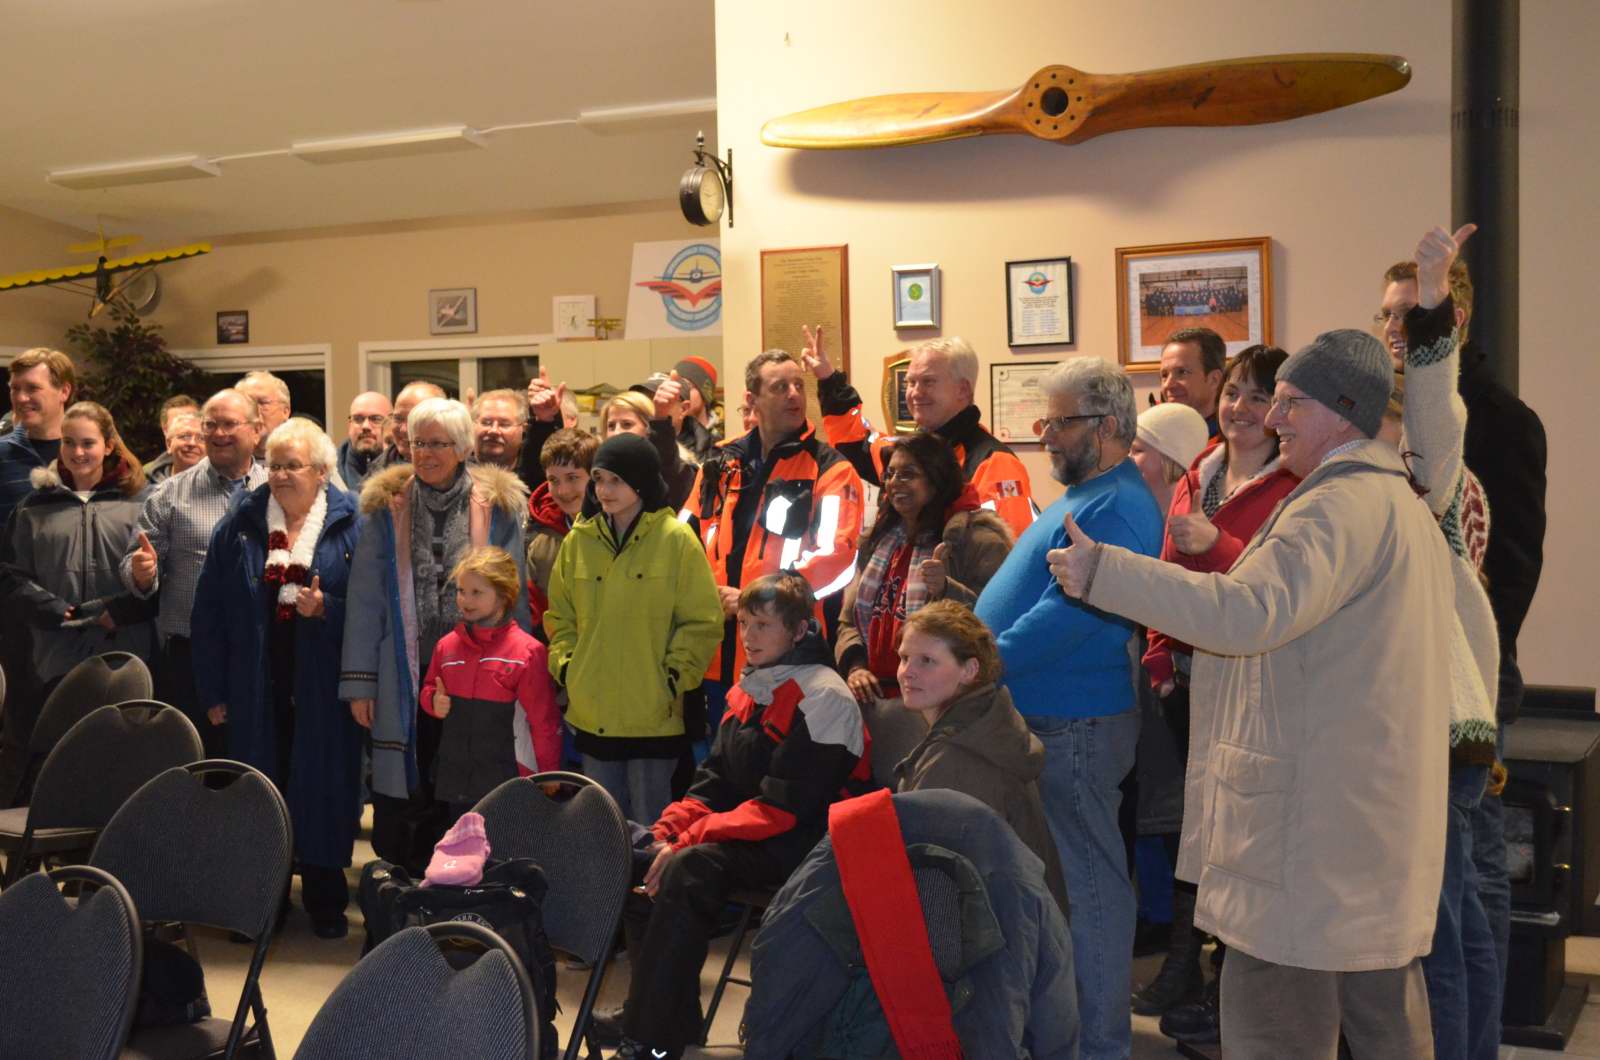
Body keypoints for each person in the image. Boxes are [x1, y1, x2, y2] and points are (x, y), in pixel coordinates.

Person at [1047, 323, 1458, 1059]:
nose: (1273, 419)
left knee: (1272, 1022)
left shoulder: (1336, 507)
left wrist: (1109, 572)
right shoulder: (1389, 503)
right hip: (1354, 830)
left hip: (1306, 842)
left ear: (1342, 410)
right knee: (1383, 1018)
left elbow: (1247, 613)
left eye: (1292, 402)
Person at [973, 357, 1162, 1060]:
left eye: (1056, 422)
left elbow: (1075, 615)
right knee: (1062, 891)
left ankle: (1101, 1048)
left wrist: (979, 662)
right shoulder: (1089, 494)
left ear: (1106, 426)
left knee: (1089, 890)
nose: (1042, 433)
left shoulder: (1116, 505)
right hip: (1048, 719)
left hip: (1076, 723)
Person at [1380, 246, 1544, 1032]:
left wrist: (1475, 666)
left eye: (1404, 314)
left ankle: (1475, 1039)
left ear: (1449, 318)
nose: (1389, 329)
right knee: (1444, 896)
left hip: (1465, 684)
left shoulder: (1493, 422)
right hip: (1416, 686)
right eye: (1383, 314)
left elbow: (1509, 571)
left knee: (1467, 889)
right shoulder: (1389, 421)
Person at [607, 572, 868, 1060]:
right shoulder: (752, 687)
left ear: (799, 631)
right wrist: (667, 832)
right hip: (757, 831)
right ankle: (659, 1013)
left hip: (811, 845)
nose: (748, 637)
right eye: (744, 623)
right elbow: (714, 784)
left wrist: (686, 843)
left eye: (764, 625)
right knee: (643, 858)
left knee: (688, 867)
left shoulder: (824, 697)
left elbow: (784, 809)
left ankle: (651, 1040)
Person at [1136, 344, 1299, 1034]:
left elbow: (1279, 592)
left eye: (1259, 397)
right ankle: (1183, 962)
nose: (1240, 408)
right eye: (1233, 393)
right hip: (1190, 679)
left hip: (1255, 682)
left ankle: (1226, 976)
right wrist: (1159, 658)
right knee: (1190, 825)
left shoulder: (1296, 484)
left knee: (1241, 836)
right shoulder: (1197, 474)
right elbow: (1166, 571)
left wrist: (1216, 544)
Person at [1377, 225, 1501, 1060]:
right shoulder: (1355, 479)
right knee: (1445, 926)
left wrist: (1430, 297)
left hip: (1443, 719)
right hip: (1404, 721)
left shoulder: (1426, 467)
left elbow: (1432, 406)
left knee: (1441, 935)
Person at [190, 418, 364, 938]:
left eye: (294, 465)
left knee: (324, 790)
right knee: (257, 796)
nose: (282, 475)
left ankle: (325, 900)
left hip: (325, 687)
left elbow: (372, 609)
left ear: (322, 470)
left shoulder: (353, 525)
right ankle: (261, 903)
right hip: (255, 686)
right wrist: (215, 690)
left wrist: (326, 609)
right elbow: (210, 613)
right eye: (275, 464)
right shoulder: (240, 523)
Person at [339, 396, 530, 871]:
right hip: (403, 669)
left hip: (479, 671)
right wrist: (362, 684)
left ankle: (465, 888)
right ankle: (405, 891)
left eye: (438, 444)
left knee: (467, 784)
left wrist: (517, 674)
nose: (425, 454)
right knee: (410, 785)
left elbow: (513, 592)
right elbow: (365, 601)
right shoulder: (387, 507)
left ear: (464, 448)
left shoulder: (498, 507)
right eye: (418, 442)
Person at [682, 349, 864, 736]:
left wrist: (752, 597)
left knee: (769, 777)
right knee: (714, 775)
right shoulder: (719, 463)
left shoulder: (829, 468)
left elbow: (838, 559)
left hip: (788, 659)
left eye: (799, 385)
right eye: (780, 387)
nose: (794, 395)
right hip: (712, 655)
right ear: (752, 399)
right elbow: (683, 539)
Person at [544, 433, 722, 824]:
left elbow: (702, 621)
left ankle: (649, 888)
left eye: (615, 480)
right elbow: (560, 617)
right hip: (593, 712)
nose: (604, 490)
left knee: (651, 826)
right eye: (599, 479)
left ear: (640, 482)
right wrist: (569, 667)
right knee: (602, 826)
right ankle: (608, 888)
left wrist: (673, 677)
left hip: (654, 714)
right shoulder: (579, 541)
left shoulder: (676, 539)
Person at [0, 402, 157, 770]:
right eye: (69, 442)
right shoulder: (32, 506)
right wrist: (63, 612)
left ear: (108, 445)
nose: (78, 452)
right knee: (60, 766)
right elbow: (11, 577)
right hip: (55, 657)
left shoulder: (146, 501)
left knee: (121, 765)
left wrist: (114, 611)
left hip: (126, 655)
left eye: (88, 443)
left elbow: (160, 578)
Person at [892, 599, 1067, 913]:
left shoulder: (957, 758)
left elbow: (938, 891)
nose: (908, 672)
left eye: (927, 661)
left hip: (994, 942)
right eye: (904, 658)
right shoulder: (984, 723)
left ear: (969, 670)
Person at [121, 388, 268, 756]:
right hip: (189, 657)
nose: (219, 434)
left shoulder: (277, 488)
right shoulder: (169, 495)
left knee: (258, 759)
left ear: (256, 430)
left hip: (262, 652)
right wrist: (141, 572)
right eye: (211, 425)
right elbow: (133, 565)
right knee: (195, 761)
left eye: (230, 424)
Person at [836, 431, 1012, 705]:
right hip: (874, 702)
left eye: (908, 474)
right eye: (890, 474)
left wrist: (946, 589)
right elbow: (848, 621)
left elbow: (995, 626)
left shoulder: (978, 540)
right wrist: (856, 666)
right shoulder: (877, 540)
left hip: (944, 706)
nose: (894, 483)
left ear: (936, 479)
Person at [806, 329, 1036, 537]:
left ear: (963, 389)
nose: (915, 393)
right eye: (911, 382)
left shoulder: (994, 463)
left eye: (928, 382)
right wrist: (828, 380)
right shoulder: (908, 451)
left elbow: (1010, 556)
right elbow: (854, 442)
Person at [419, 546, 561, 819]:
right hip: (457, 777)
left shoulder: (527, 653)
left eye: (477, 592)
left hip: (507, 781)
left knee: (505, 855)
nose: (465, 600)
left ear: (504, 595)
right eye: (461, 591)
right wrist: (433, 702)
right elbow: (428, 689)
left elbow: (544, 720)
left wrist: (548, 772)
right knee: (462, 853)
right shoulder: (446, 647)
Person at [0, 348, 77, 805]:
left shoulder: (88, 449)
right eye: (15, 389)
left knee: (75, 733)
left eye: (34, 388)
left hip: (77, 618)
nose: (22, 398)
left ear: (64, 391)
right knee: (19, 738)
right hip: (13, 620)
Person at [525, 427, 597, 632]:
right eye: (553, 480)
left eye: (573, 477)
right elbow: (537, 615)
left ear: (595, 477)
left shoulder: (618, 532)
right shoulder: (541, 544)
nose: (563, 490)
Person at [602, 389, 697, 510]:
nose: (616, 432)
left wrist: (660, 419)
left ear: (649, 430)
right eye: (611, 426)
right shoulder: (600, 472)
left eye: (627, 424)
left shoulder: (676, 469)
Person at [1129, 402, 1211, 519]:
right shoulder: (1131, 504)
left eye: (1137, 450)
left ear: (1169, 459)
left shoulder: (1188, 520)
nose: (1127, 458)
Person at [1157, 328, 1226, 436]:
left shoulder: (1233, 444)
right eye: (1164, 375)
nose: (1168, 385)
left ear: (1214, 380)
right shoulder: (1158, 438)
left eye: (1182, 372)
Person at [370, 380, 447, 472]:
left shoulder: (464, 477)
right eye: (398, 418)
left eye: (413, 420)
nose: (403, 429)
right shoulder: (376, 470)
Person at [337, 390, 392, 489]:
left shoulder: (404, 469)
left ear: (390, 425)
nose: (365, 426)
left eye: (376, 419)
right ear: (349, 425)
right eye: (358, 419)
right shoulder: (330, 472)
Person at [672, 355, 722, 462]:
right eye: (678, 385)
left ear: (705, 395)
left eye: (688, 386)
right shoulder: (670, 434)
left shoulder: (720, 443)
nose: (681, 392)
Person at [142, 395, 201, 482]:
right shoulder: (147, 476)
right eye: (177, 422)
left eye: (191, 419)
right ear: (165, 430)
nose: (192, 442)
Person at [470, 388, 527, 476]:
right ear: (473, 425)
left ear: (523, 428)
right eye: (486, 423)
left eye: (504, 424)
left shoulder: (537, 476)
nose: (494, 430)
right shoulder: (453, 474)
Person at [237, 370, 292, 459]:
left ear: (285, 411)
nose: (254, 410)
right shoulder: (222, 461)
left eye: (263, 403)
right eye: (247, 402)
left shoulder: (305, 455)